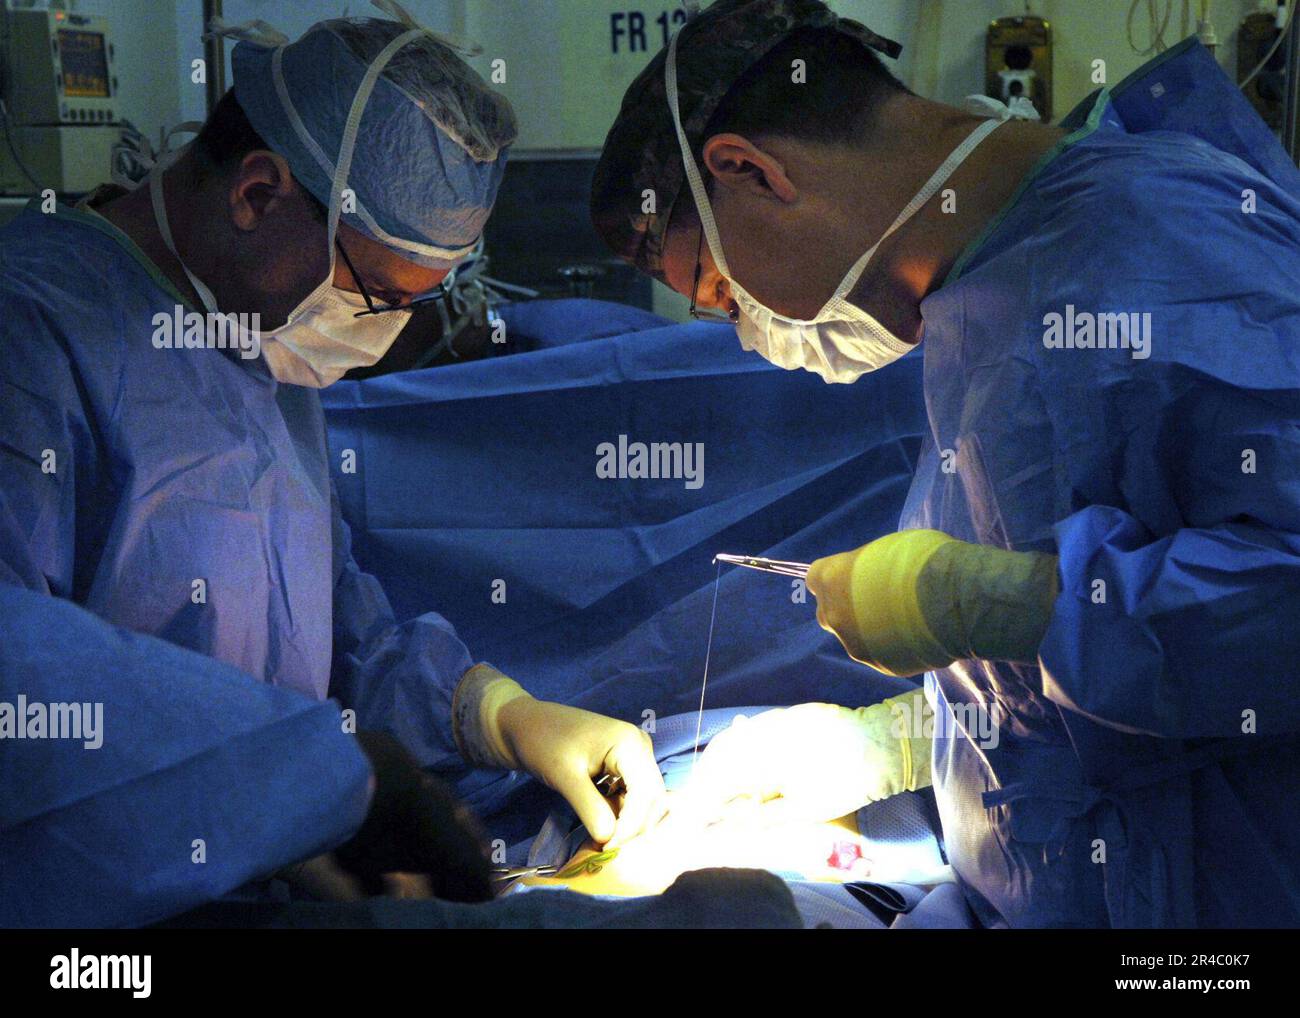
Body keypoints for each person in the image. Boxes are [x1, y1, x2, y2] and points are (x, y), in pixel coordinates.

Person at [590, 0, 1300, 927]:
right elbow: (1069, 688)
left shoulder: (1170, 244)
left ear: (748, 171)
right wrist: (893, 743)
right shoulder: (982, 291)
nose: (753, 338)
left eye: (723, 294)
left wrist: (1006, 605)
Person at [0, 4, 664, 928]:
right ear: (259, 193)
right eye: (379, 295)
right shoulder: (29, 334)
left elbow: (321, 628)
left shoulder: (255, 336)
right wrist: (296, 785)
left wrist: (493, 713)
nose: (382, 334)